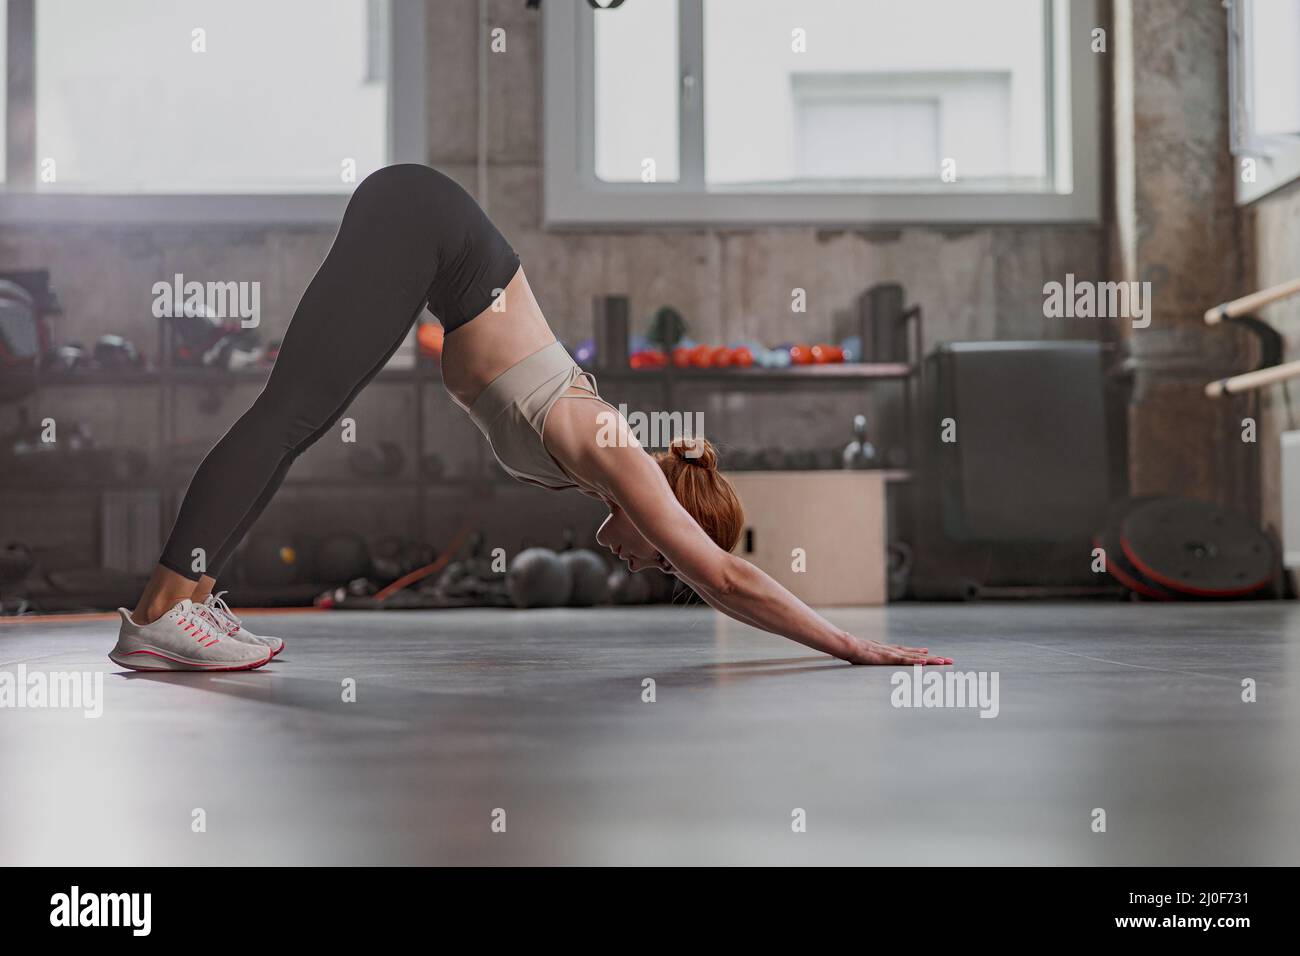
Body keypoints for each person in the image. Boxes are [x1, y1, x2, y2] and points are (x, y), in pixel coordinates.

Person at [110, 165, 951, 671]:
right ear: (666, 524)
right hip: (425, 224)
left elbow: (711, 576)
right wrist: (851, 644)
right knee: (290, 416)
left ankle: (189, 599)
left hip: (426, 236)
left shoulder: (599, 466)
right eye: (661, 560)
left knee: (297, 422)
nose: (639, 567)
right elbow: (725, 578)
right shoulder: (618, 449)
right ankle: (158, 612)